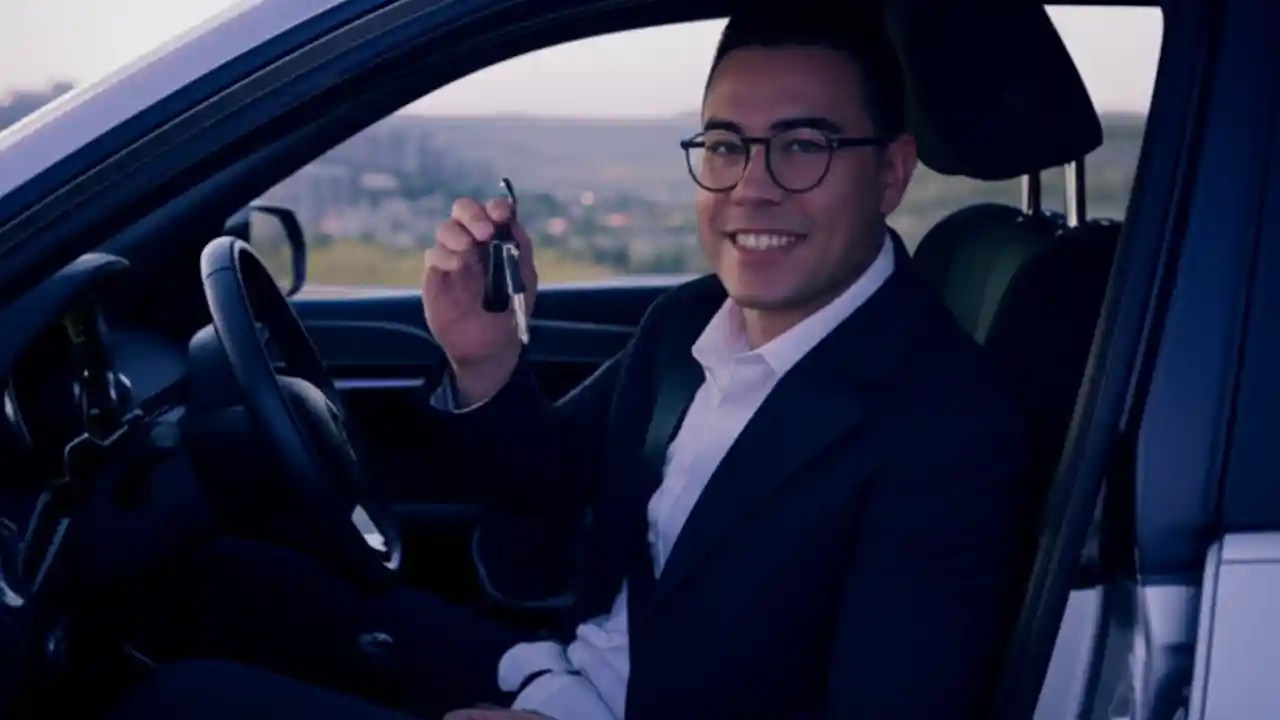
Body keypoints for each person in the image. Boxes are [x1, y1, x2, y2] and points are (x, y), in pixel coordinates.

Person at [113, 4, 1031, 719]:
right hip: (552, 670)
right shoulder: (688, 325)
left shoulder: (947, 429)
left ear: (892, 172)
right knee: (221, 580)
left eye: (803, 145)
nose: (752, 183)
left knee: (177, 709)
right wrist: (485, 361)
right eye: (724, 144)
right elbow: (547, 491)